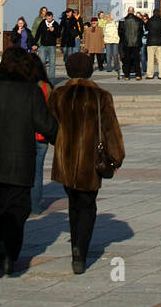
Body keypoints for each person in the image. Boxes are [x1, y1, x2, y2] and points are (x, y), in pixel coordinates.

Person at [0, 47, 58, 276]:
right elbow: (45, 124)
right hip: (21, 161)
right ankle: (10, 252)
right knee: (18, 210)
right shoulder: (30, 91)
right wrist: (58, 138)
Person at [49, 53, 125, 273]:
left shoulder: (59, 94)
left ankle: (75, 245)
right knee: (88, 205)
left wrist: (60, 141)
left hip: (66, 158)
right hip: (91, 160)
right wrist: (117, 155)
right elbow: (111, 128)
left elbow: (49, 123)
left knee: (73, 203)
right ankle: (81, 250)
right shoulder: (100, 96)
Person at [17, 51, 52, 214]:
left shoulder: (20, 85)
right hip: (41, 134)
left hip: (22, 134)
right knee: (37, 172)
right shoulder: (46, 87)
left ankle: (22, 203)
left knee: (21, 171)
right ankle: (35, 206)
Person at [34, 9, 60, 85]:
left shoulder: (55, 24)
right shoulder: (42, 23)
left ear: (52, 17)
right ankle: (43, 79)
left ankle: (51, 81)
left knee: (52, 63)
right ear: (45, 17)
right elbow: (38, 33)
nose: (49, 19)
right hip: (43, 46)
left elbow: (59, 35)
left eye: (50, 18)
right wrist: (35, 43)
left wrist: (54, 31)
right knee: (42, 63)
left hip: (52, 46)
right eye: (48, 18)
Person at [119, 7, 142, 80]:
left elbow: (120, 32)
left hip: (126, 43)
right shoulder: (139, 20)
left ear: (128, 11)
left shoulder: (122, 20)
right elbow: (141, 32)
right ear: (133, 11)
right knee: (136, 59)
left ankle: (127, 75)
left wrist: (123, 40)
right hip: (136, 43)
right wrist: (138, 39)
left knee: (127, 59)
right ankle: (138, 75)